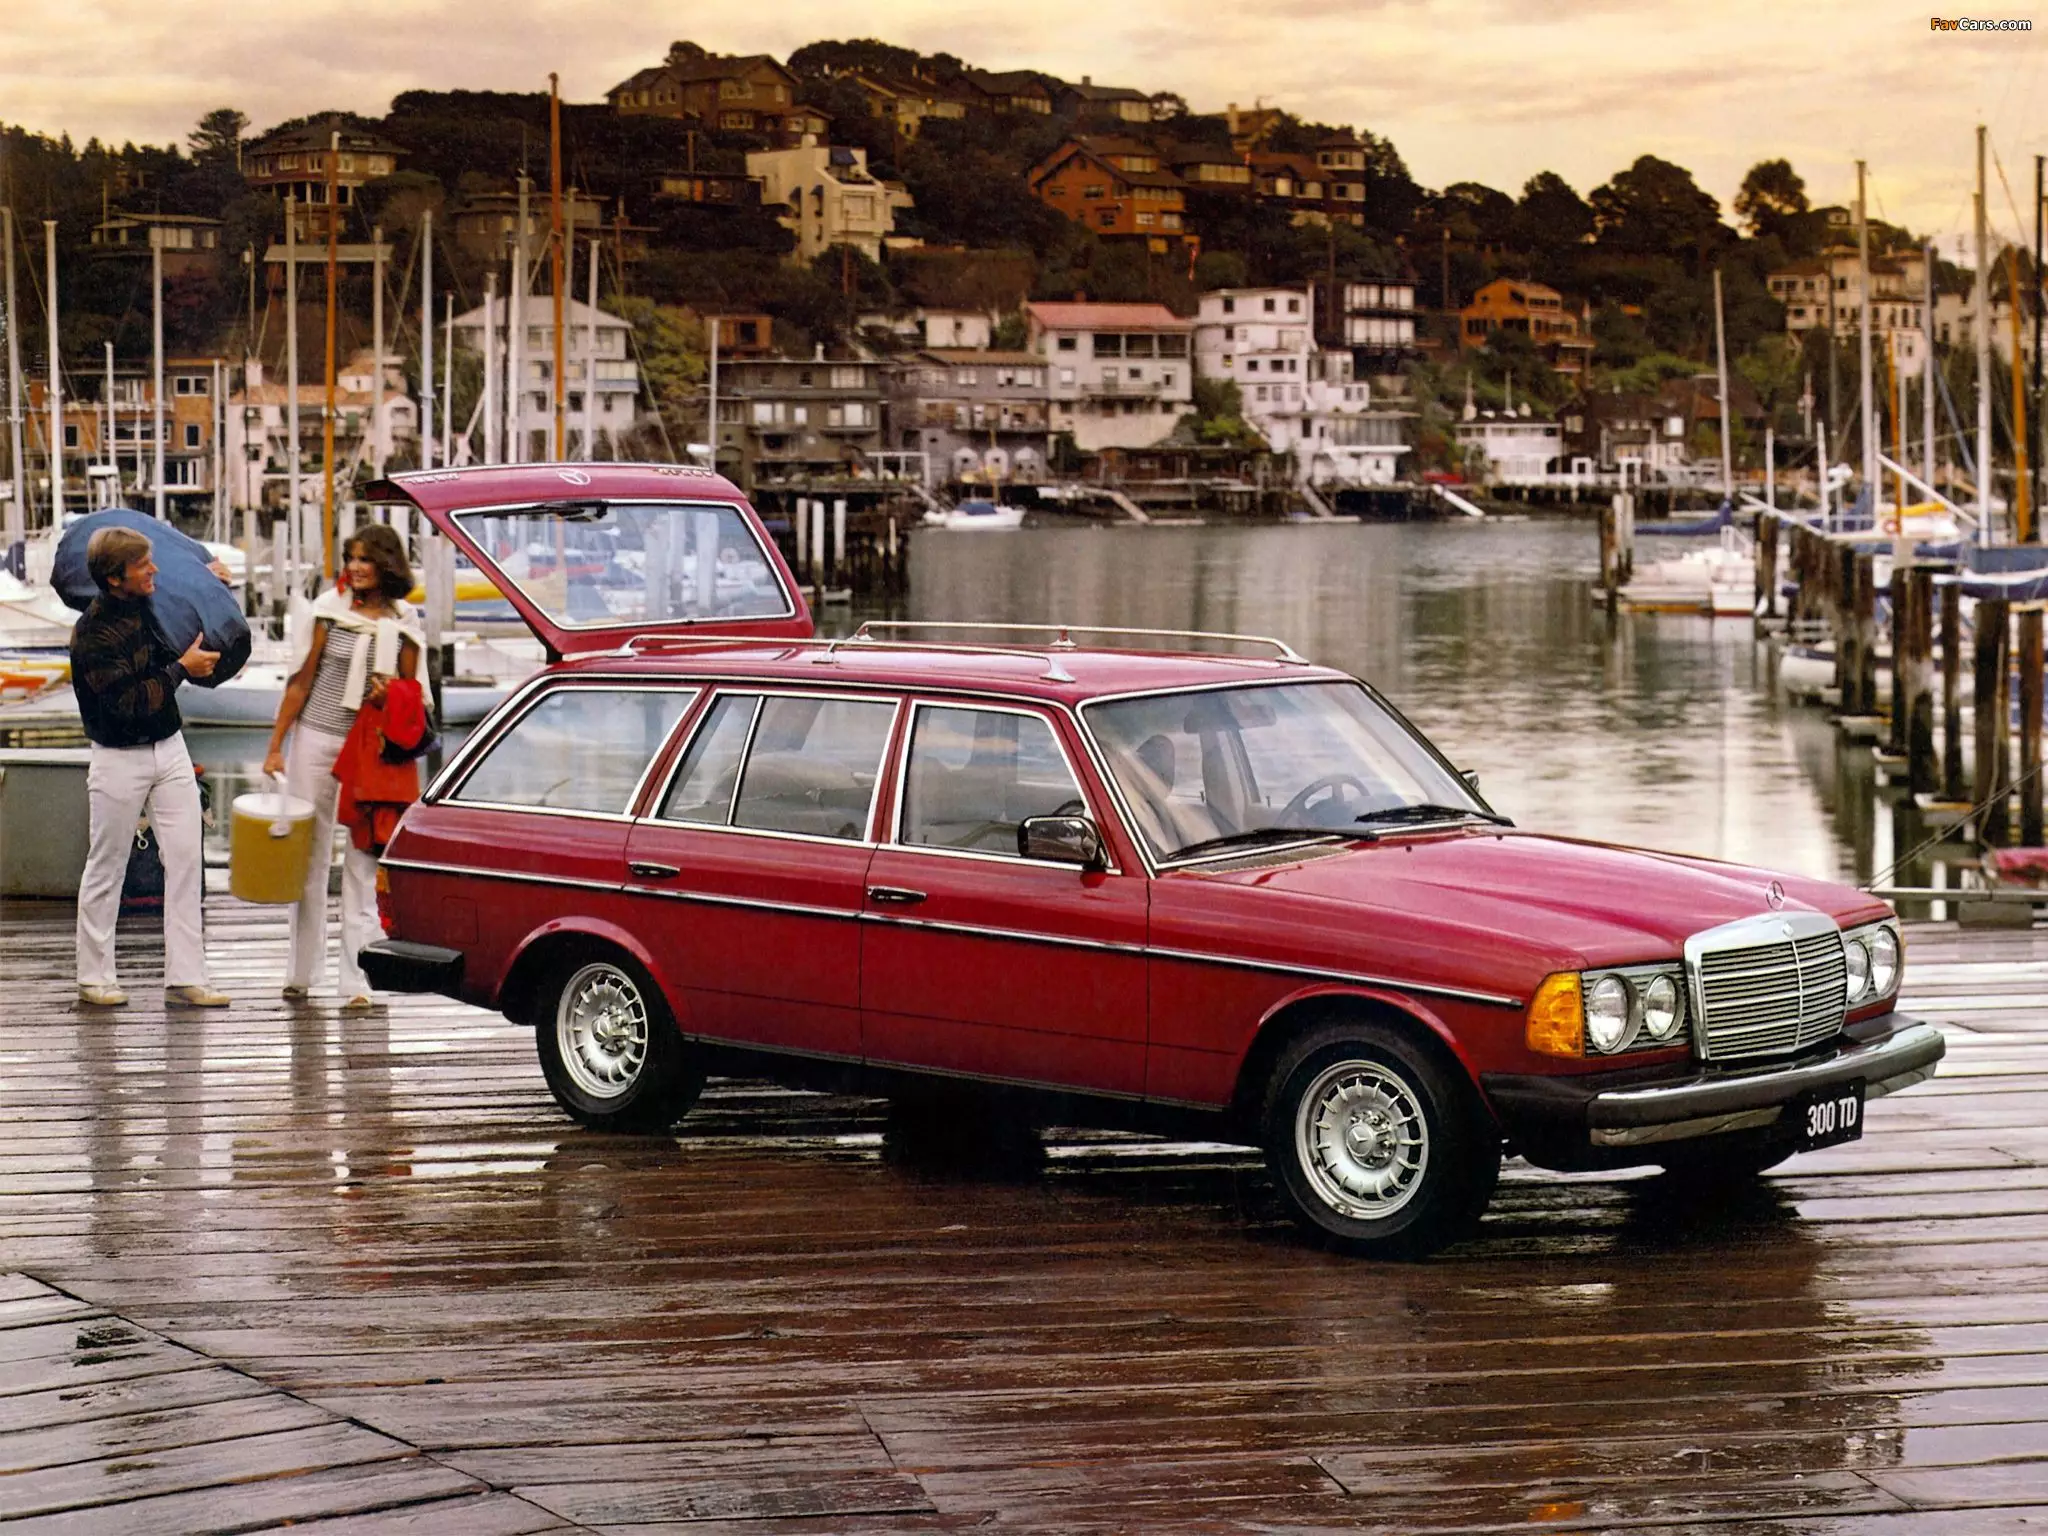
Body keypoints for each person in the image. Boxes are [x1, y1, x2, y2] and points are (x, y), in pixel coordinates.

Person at [262, 524, 422, 1011]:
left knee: (363, 859)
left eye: (364, 559)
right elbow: (300, 682)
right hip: (317, 737)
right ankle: (301, 972)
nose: (353, 567)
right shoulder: (326, 614)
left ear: (386, 564)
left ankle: (356, 980)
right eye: (350, 558)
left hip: (371, 748)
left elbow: (413, 692)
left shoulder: (406, 618)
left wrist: (387, 695)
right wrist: (275, 746)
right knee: (309, 856)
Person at [71, 525, 228, 1008]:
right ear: (116, 578)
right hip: (119, 756)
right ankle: (94, 976)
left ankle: (186, 976)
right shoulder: (93, 634)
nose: (153, 569)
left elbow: (189, 599)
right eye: (143, 565)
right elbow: (128, 703)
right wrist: (181, 669)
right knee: (107, 863)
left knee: (184, 858)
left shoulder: (153, 603)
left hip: (170, 746)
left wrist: (211, 583)